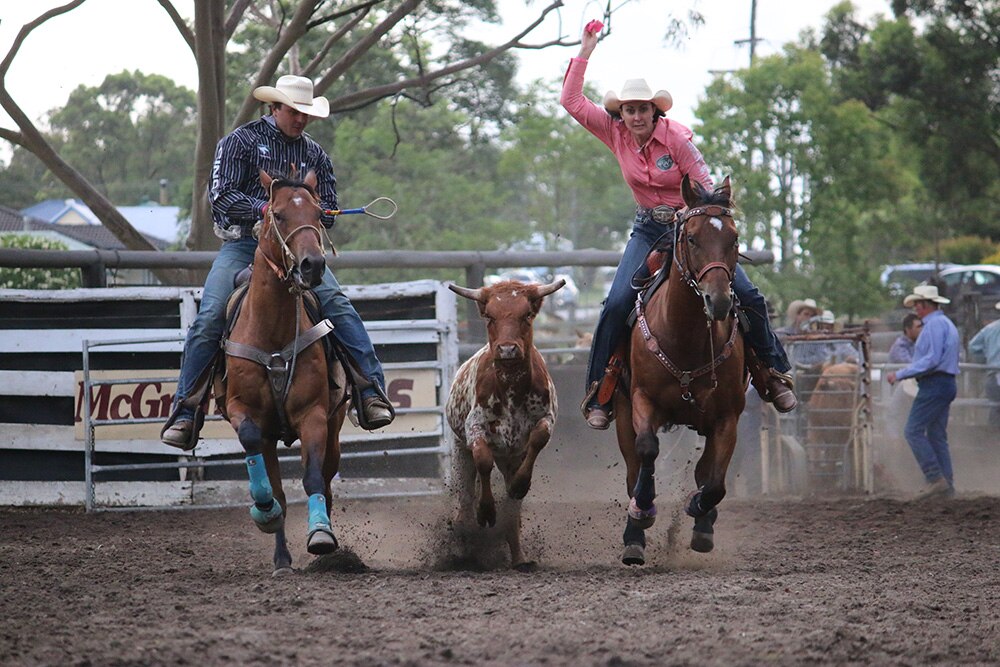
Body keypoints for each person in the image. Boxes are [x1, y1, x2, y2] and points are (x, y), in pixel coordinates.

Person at [562, 22, 797, 430]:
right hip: (649, 230)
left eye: (643, 109)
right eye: (630, 109)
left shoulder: (678, 141)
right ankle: (601, 389)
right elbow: (572, 101)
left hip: (691, 229)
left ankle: (772, 374)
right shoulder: (614, 133)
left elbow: (704, 185)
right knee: (616, 303)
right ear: (622, 113)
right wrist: (585, 50)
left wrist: (707, 218)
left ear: (657, 111)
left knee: (747, 295)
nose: (636, 115)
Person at [161, 75, 394, 449]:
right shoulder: (240, 142)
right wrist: (268, 209)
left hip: (299, 249)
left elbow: (328, 212)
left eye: (306, 113)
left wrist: (311, 210)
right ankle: (187, 410)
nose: (301, 119)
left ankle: (370, 390)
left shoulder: (315, 154)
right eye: (294, 111)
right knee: (210, 316)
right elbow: (221, 198)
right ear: (275, 107)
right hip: (243, 247)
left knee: (337, 305)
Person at [886, 285, 960, 498]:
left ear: (926, 304)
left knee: (913, 430)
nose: (916, 308)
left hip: (934, 384)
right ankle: (946, 485)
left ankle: (934, 477)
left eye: (918, 304)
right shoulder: (944, 324)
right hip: (944, 383)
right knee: (937, 435)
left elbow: (932, 359)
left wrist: (901, 374)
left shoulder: (934, 325)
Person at [967, 301, 1000, 424]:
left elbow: (973, 346)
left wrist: (985, 358)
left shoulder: (990, 329)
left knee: (996, 409)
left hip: (994, 373)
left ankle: (992, 439)